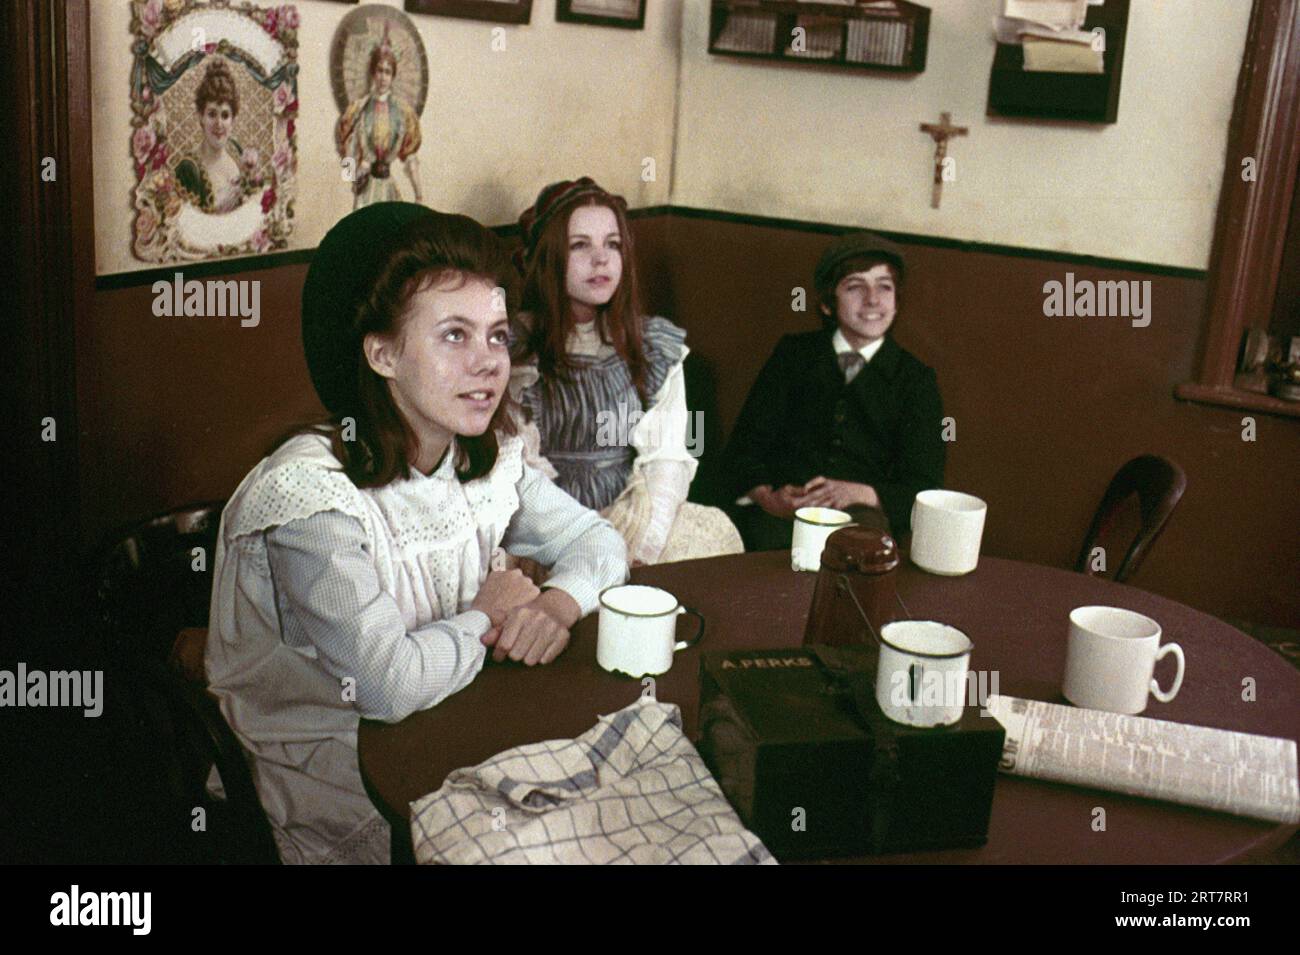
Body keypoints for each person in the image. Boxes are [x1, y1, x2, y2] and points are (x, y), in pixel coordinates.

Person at [204, 202, 628, 864]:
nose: (489, 364)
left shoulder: (479, 457)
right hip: (327, 766)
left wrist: (556, 603)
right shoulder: (311, 498)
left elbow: (598, 544)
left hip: (444, 723)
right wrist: (486, 616)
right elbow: (385, 683)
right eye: (454, 335)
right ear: (381, 353)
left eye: (496, 336)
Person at [511, 177, 742, 566]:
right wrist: (586, 544)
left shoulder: (652, 345)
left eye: (612, 244)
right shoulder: (513, 349)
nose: (601, 259)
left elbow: (667, 459)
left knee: (712, 542)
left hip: (630, 512)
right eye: (579, 245)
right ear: (549, 257)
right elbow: (519, 468)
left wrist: (642, 546)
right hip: (544, 520)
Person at [722, 231, 945, 551]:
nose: (872, 299)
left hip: (862, 525)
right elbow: (744, 448)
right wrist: (768, 497)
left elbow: (924, 486)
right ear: (827, 303)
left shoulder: (915, 380)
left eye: (884, 286)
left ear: (896, 302)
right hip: (780, 518)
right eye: (855, 286)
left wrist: (859, 493)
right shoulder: (793, 355)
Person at [334, 28, 423, 209]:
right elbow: (347, 152)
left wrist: (419, 195)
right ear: (373, 73)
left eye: (388, 72)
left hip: (388, 188)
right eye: (379, 71)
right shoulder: (360, 109)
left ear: (393, 76)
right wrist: (356, 175)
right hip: (366, 187)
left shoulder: (402, 112)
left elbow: (410, 156)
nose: (383, 77)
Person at [175, 59, 259, 214]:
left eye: (225, 115)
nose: (219, 124)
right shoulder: (188, 169)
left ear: (233, 120)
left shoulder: (235, 166)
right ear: (201, 117)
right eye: (212, 114)